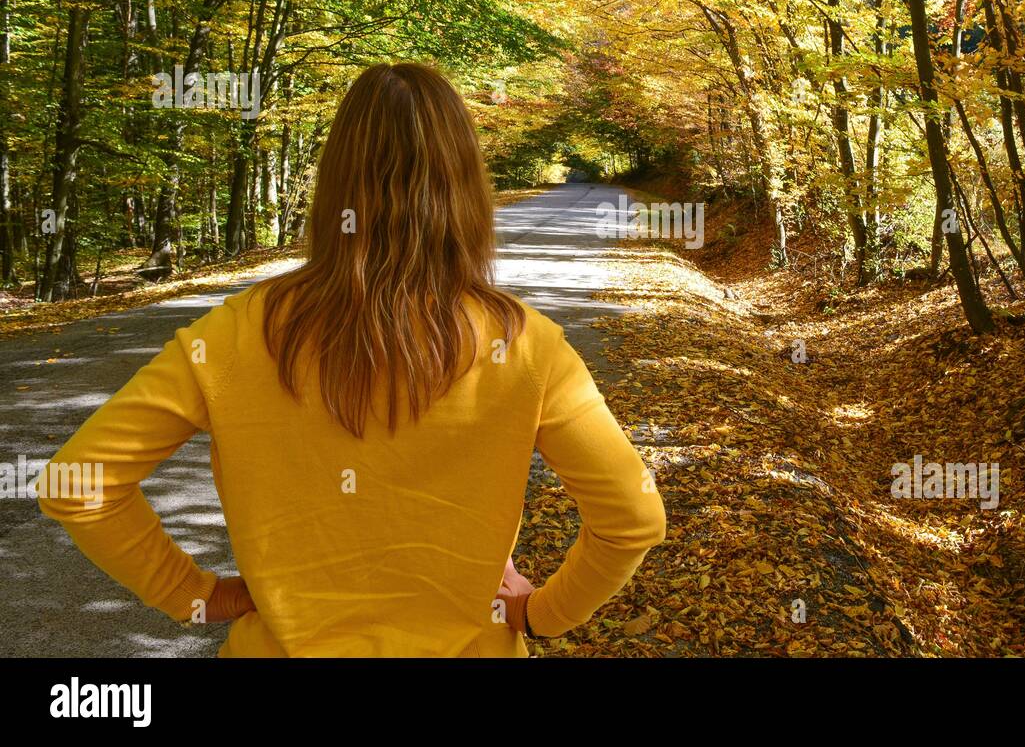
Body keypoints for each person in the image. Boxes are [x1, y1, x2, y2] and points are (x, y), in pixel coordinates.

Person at [38, 62, 666, 656]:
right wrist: (541, 613)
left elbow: (78, 483)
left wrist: (201, 597)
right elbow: (632, 518)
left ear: (333, 184)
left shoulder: (235, 332)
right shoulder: (523, 344)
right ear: (467, 187)